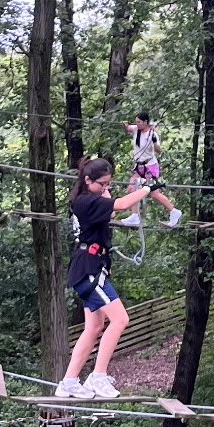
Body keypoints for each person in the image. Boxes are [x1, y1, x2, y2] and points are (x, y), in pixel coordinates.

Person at [56, 157, 148, 399]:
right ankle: (98, 375)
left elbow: (109, 206)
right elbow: (122, 204)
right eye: (102, 184)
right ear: (87, 181)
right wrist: (148, 188)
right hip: (88, 270)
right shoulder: (86, 202)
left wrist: (105, 192)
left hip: (92, 266)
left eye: (109, 184)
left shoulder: (91, 199)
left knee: (95, 326)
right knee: (120, 319)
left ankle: (69, 381)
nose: (106, 188)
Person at [120, 110, 182, 228]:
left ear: (145, 122)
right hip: (138, 166)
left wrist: (154, 142)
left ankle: (174, 211)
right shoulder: (135, 129)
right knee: (132, 188)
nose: (137, 124)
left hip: (150, 167)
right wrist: (125, 124)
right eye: (136, 122)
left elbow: (158, 151)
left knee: (154, 193)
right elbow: (127, 127)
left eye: (139, 122)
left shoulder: (153, 134)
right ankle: (134, 216)